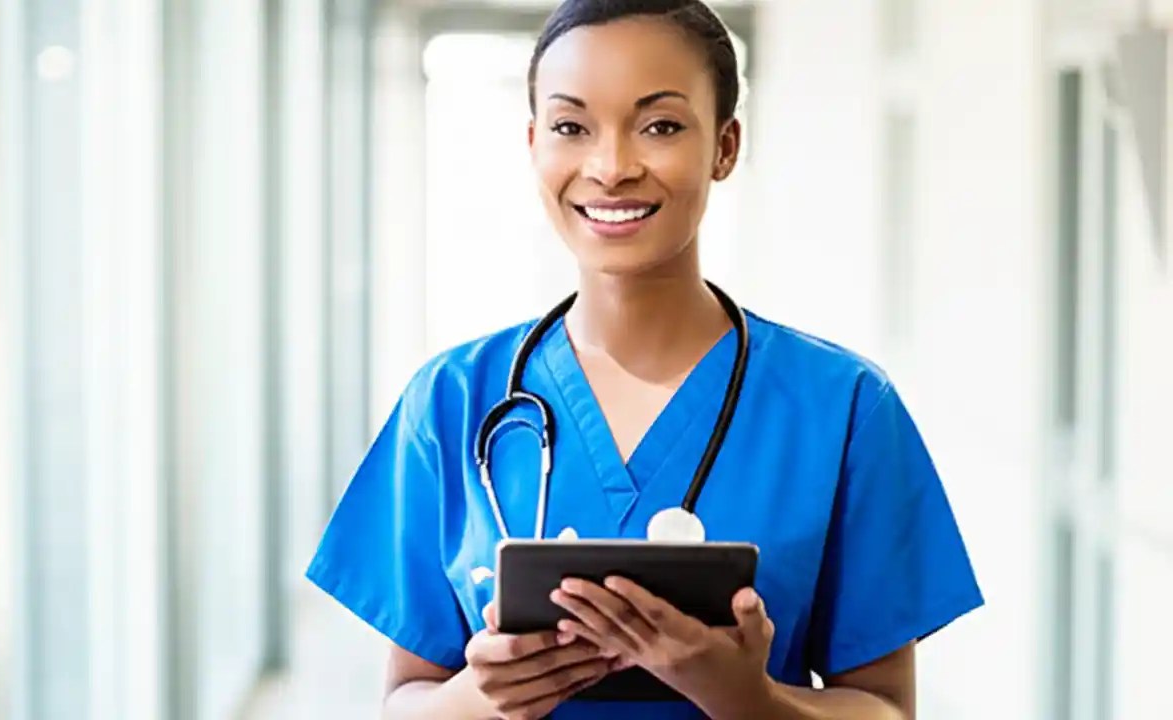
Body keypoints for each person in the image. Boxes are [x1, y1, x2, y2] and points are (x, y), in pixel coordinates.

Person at [306, 0, 983, 717]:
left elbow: (884, 709)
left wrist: (752, 701)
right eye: (572, 127)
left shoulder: (843, 408)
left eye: (660, 126)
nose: (611, 167)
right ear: (534, 143)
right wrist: (482, 697)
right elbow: (405, 701)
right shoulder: (451, 401)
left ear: (725, 146)